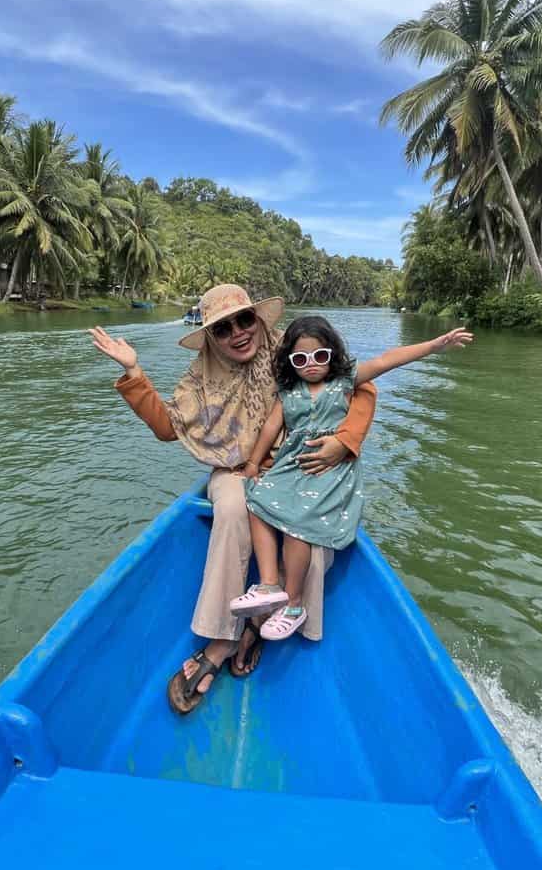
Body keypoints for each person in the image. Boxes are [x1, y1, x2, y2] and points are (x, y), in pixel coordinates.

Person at [88, 284, 378, 714]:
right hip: (238, 466)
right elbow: (169, 427)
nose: (238, 333)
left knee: (314, 532)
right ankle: (223, 637)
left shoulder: (292, 350)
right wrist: (134, 373)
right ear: (211, 338)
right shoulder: (198, 379)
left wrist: (345, 442)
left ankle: (267, 622)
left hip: (303, 463)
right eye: (223, 329)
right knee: (230, 508)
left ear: (258, 320)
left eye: (245, 321)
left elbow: (360, 385)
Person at [230, 315, 473, 640]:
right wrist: (252, 465)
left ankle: (294, 603)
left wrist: (434, 345)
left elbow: (387, 360)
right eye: (301, 359)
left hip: (330, 472)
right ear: (290, 361)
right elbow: (270, 429)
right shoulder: (288, 392)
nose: (312, 364)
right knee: (255, 501)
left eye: (320, 355)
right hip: (292, 467)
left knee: (295, 524)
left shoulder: (344, 384)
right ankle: (270, 585)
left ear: (332, 353)